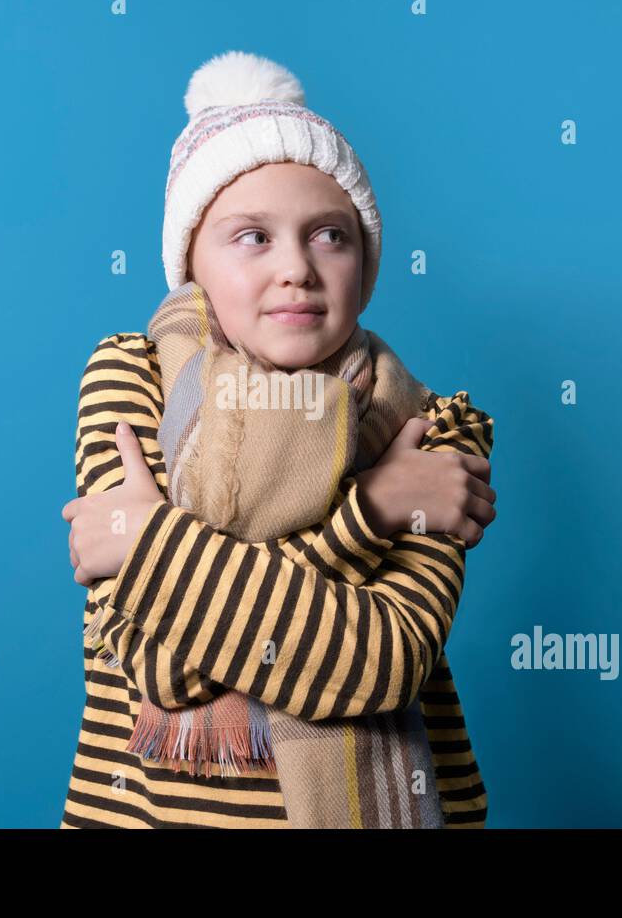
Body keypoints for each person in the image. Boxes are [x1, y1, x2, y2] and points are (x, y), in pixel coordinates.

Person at [59, 51, 496, 828]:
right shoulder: (134, 381)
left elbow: (383, 662)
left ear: (363, 265)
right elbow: (158, 666)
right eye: (252, 237)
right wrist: (375, 508)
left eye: (330, 236)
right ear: (190, 264)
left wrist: (151, 545)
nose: (297, 267)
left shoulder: (435, 426)